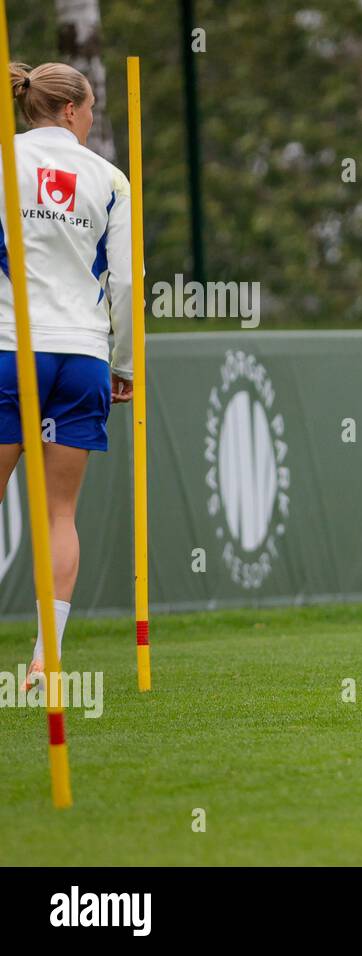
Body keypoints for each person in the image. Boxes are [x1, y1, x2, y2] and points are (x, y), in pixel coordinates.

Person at [0, 62, 134, 691]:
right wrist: (125, 363)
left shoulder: (4, 160)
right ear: (75, 110)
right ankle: (45, 656)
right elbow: (127, 283)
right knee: (60, 514)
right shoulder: (110, 178)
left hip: (9, 347)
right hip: (81, 356)